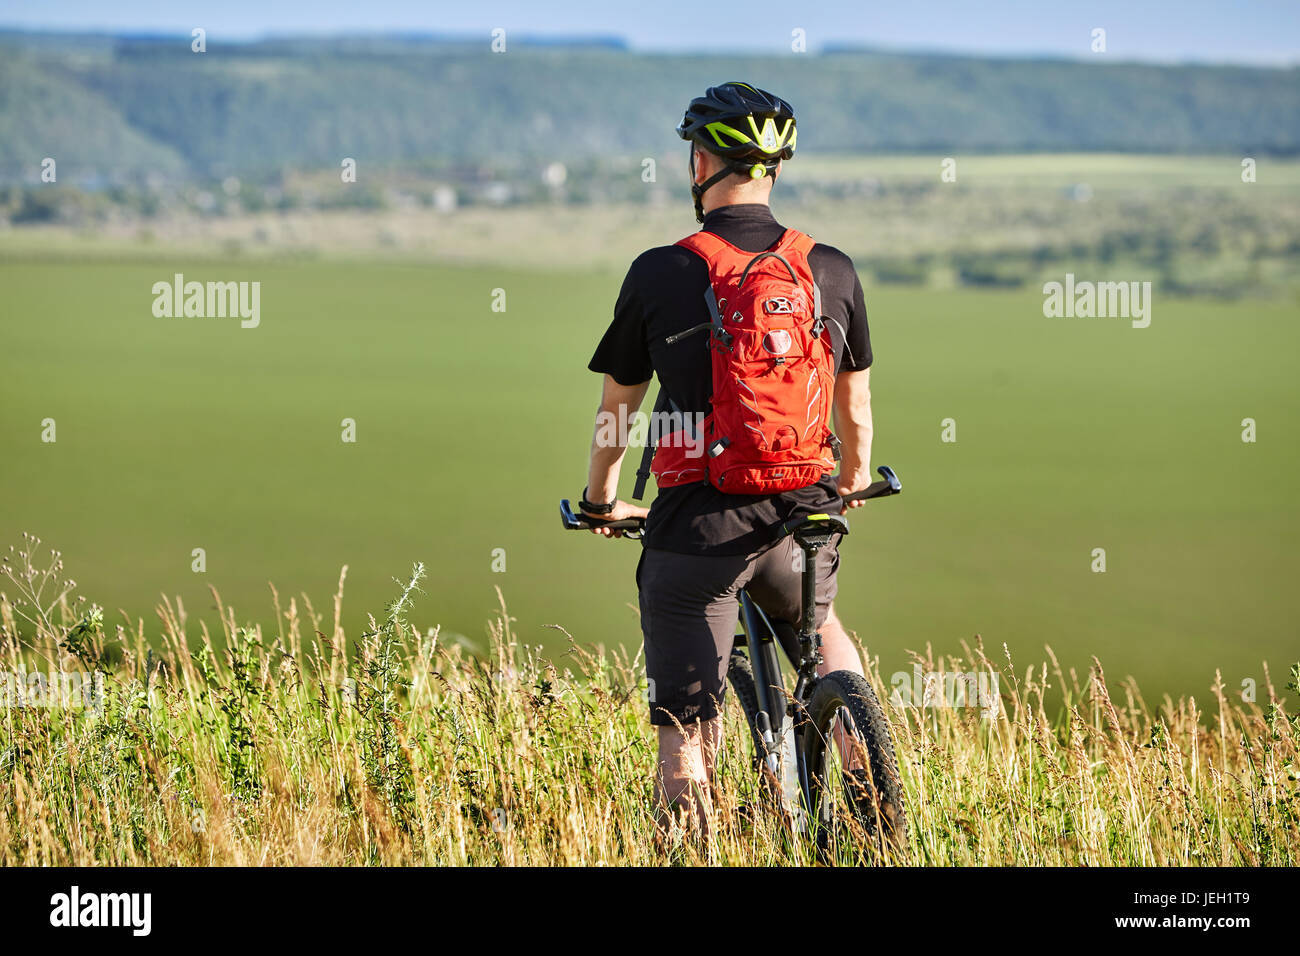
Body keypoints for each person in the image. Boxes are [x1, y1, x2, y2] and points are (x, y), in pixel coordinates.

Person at [579, 82, 875, 837]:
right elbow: (856, 412)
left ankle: (691, 841)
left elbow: (619, 412)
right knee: (828, 643)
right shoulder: (830, 271)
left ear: (700, 162)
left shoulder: (660, 272)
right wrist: (850, 482)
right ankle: (874, 794)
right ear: (776, 169)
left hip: (697, 532)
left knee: (684, 739)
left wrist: (600, 501)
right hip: (803, 517)